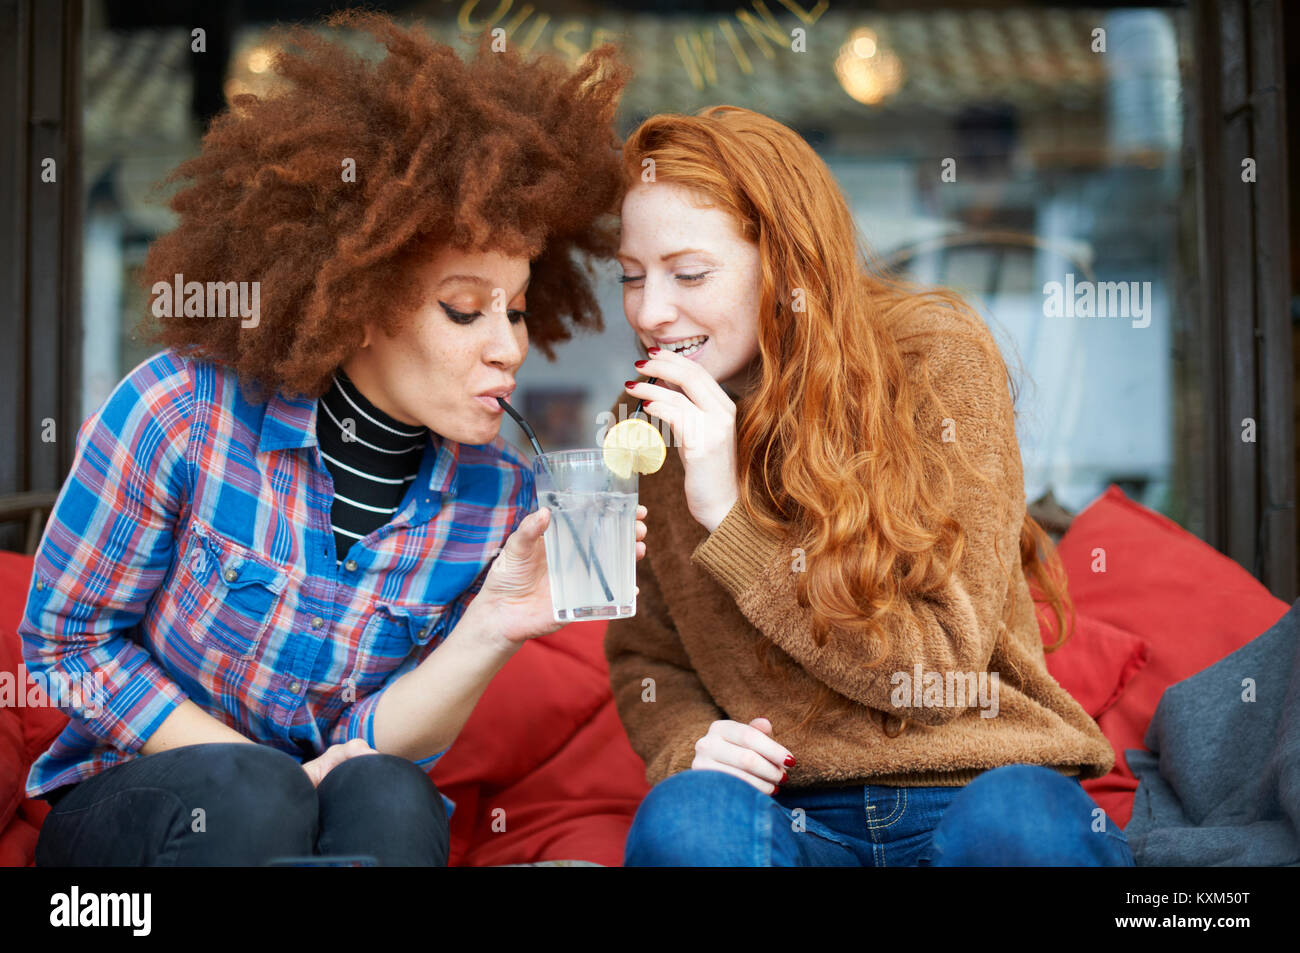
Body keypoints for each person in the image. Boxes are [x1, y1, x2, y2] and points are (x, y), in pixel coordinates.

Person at [21, 11, 645, 867]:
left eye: (518, 308)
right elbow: (66, 644)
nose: (508, 345)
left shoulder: (496, 499)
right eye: (464, 310)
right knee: (257, 791)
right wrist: (263, 770)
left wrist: (496, 624)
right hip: (128, 806)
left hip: (322, 813)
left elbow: (378, 743)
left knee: (392, 791)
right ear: (355, 305)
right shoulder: (182, 412)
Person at [605, 105, 1134, 867]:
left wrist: (729, 513)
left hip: (972, 782)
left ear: (786, 261)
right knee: (684, 820)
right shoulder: (654, 418)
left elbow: (937, 673)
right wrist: (684, 740)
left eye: (689, 273)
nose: (650, 312)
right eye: (630, 276)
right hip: (788, 812)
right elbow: (647, 653)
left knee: (1019, 823)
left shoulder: (936, 363)